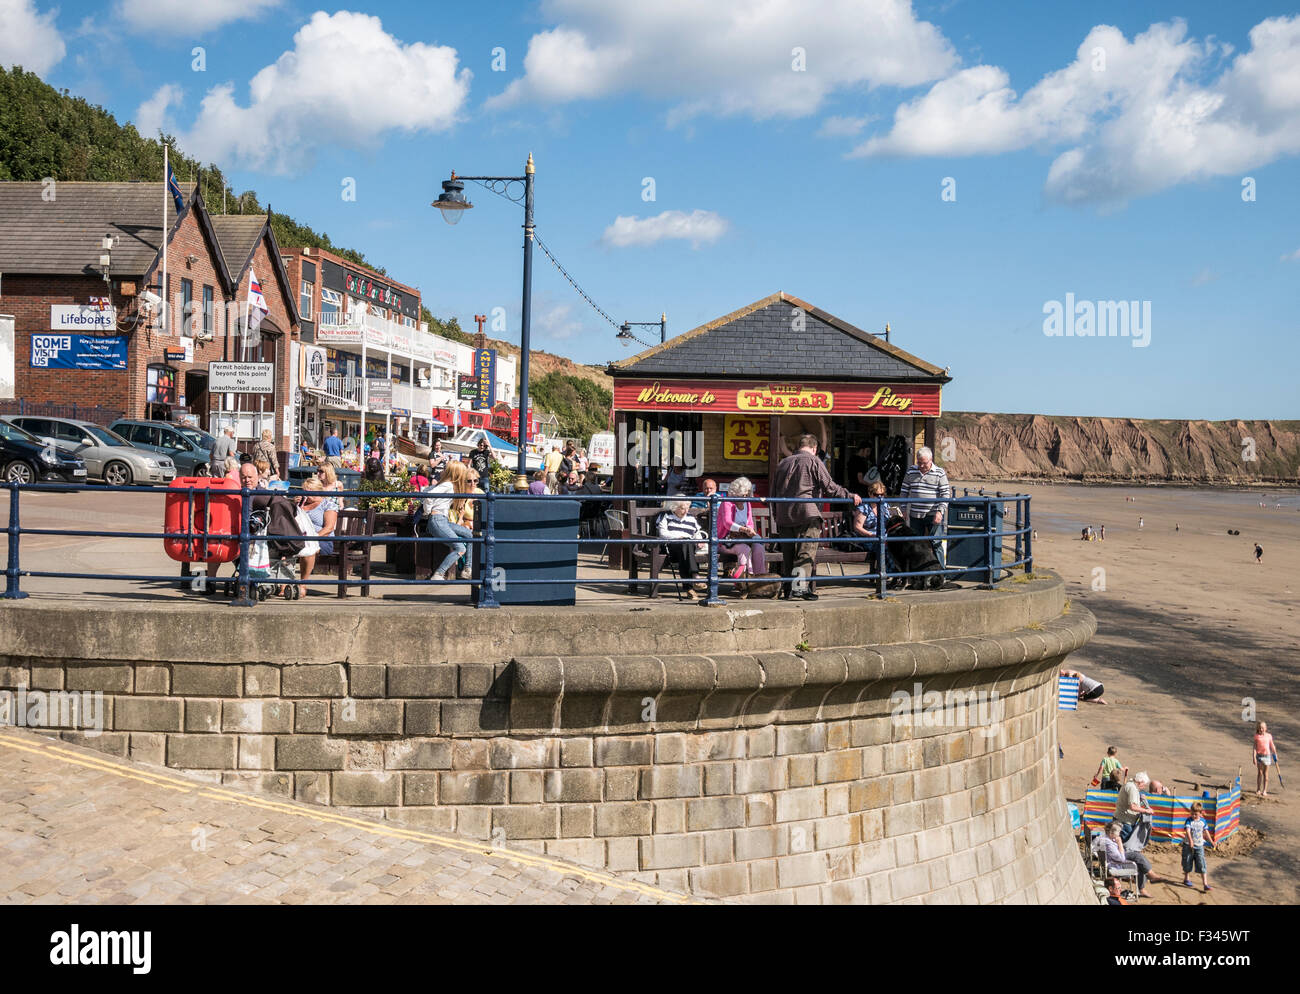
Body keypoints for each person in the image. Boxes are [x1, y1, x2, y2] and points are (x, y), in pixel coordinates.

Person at [770, 433, 861, 601]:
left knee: (788, 555)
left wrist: (776, 514)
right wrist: (849, 495)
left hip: (784, 515)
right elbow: (830, 487)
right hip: (807, 512)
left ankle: (789, 589)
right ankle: (800, 588)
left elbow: (773, 492)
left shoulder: (782, 463)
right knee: (806, 552)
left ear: (798, 447)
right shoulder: (814, 461)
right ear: (814, 448)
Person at [900, 446, 952, 576]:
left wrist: (940, 512)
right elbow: (904, 491)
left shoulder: (939, 473)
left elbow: (945, 494)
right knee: (915, 545)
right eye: (919, 462)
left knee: (936, 543)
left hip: (933, 514)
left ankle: (941, 573)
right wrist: (903, 509)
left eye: (924, 463)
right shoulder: (911, 472)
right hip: (915, 515)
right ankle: (916, 573)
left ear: (931, 460)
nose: (921, 466)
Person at [422, 461, 474, 582]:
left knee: (469, 535)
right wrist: (427, 511)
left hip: (442, 520)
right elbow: (429, 495)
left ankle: (467, 569)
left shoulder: (449, 485)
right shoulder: (448, 485)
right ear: (458, 473)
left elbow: (428, 492)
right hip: (437, 520)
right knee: (460, 548)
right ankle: (439, 574)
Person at [849, 479, 903, 587]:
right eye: (876, 494)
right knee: (884, 546)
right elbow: (857, 527)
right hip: (868, 537)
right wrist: (870, 534)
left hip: (885, 536)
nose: (880, 497)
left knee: (901, 545)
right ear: (870, 494)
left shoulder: (885, 506)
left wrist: (897, 517)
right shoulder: (864, 508)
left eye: (882, 494)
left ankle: (902, 574)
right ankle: (893, 574)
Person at [716, 476, 767, 581]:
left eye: (747, 494)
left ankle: (759, 579)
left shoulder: (747, 504)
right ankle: (745, 581)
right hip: (726, 539)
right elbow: (727, 523)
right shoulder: (727, 503)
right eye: (743, 494)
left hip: (743, 537)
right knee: (745, 549)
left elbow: (750, 523)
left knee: (758, 547)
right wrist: (744, 530)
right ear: (735, 493)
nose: (745, 497)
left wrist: (749, 530)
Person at [657, 499, 708, 598]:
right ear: (674, 508)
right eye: (682, 508)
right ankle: (695, 578)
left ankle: (690, 587)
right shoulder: (666, 516)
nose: (685, 511)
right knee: (685, 545)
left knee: (686, 545)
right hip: (671, 547)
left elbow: (697, 533)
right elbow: (662, 533)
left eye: (687, 508)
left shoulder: (690, 518)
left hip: (687, 547)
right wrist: (677, 537)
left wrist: (700, 540)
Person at [295, 477, 338, 591]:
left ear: (318, 491)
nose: (307, 495)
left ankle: (302, 584)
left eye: (310, 492)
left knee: (309, 549)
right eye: (305, 492)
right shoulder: (300, 504)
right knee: (285, 549)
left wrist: (313, 538)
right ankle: (283, 584)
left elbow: (329, 528)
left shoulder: (327, 504)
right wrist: (294, 504)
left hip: (322, 540)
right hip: (299, 538)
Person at [1102, 820, 1153, 898]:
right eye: (1118, 833)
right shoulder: (1109, 844)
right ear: (1112, 833)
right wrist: (1120, 844)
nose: (1119, 835)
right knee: (1139, 863)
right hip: (1116, 865)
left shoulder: (1106, 838)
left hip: (1114, 860)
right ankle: (1145, 883)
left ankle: (1148, 874)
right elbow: (1121, 859)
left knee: (1137, 857)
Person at [1114, 772, 1156, 844]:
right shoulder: (1132, 788)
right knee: (1124, 844)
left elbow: (1129, 802)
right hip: (1125, 822)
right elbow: (1133, 806)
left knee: (1118, 843)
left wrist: (1139, 799)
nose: (1144, 787)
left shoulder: (1129, 785)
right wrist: (1146, 811)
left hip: (1120, 819)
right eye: (1144, 785)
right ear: (1140, 782)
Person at [1182, 802, 1213, 891]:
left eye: (1195, 814)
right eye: (1192, 813)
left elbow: (1206, 832)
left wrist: (1211, 841)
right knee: (1187, 862)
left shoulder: (1203, 821)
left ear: (1200, 813)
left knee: (1202, 863)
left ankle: (1205, 884)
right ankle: (1186, 878)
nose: (1193, 815)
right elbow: (1187, 831)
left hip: (1199, 846)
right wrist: (1191, 841)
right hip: (1188, 845)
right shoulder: (1189, 820)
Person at [1254, 721, 1276, 796]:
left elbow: (1272, 745)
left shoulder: (1269, 736)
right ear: (1258, 729)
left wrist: (1275, 754)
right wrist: (1253, 757)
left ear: (1265, 728)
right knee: (1260, 773)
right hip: (1259, 756)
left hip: (1267, 756)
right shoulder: (1256, 736)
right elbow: (1254, 747)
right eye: (1260, 728)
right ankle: (1258, 789)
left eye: (1262, 728)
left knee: (1265, 774)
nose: (1261, 729)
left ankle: (1265, 790)